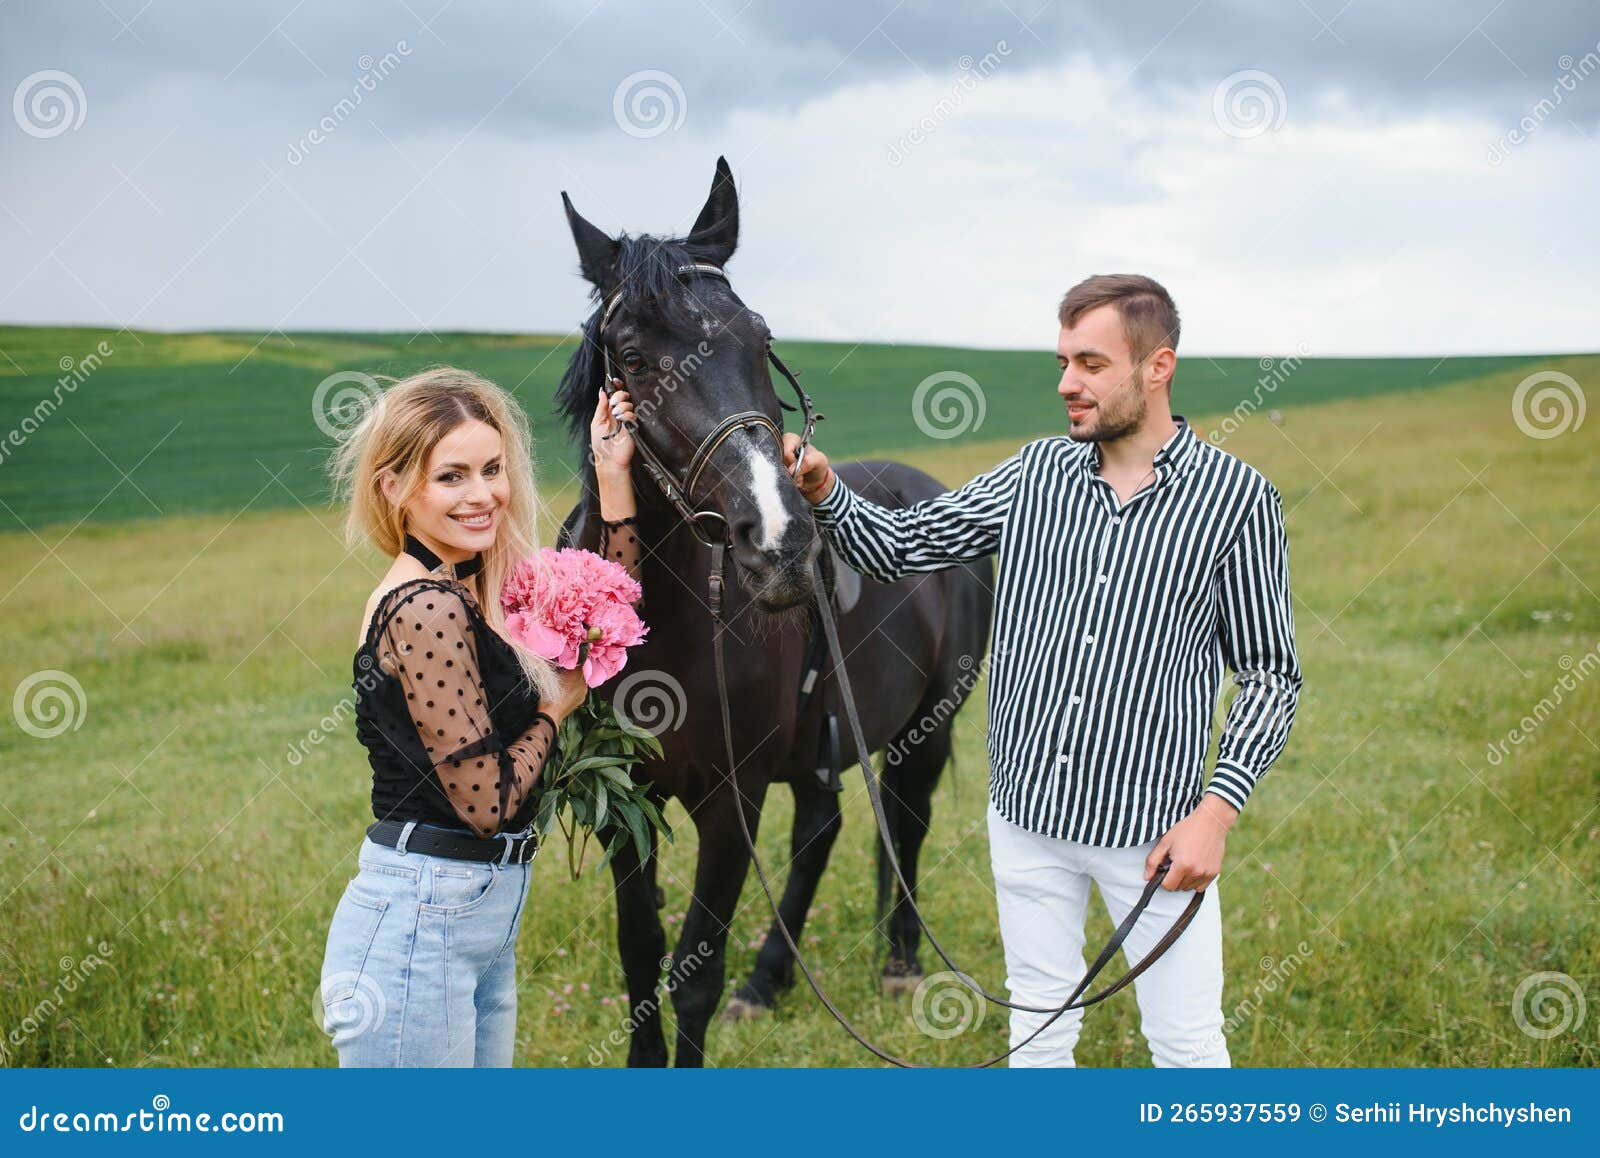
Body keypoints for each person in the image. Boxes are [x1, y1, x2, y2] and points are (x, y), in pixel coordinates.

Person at [781, 274, 1302, 1067]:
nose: (1066, 384)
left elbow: (1270, 673)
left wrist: (1217, 813)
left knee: (1189, 1047)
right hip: (1026, 821)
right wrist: (823, 489)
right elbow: (900, 546)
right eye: (1062, 362)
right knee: (1038, 1034)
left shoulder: (1237, 501)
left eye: (1090, 364)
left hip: (1156, 834)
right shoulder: (1033, 476)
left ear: (1157, 367)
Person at [318, 366, 640, 1066]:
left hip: (474, 913)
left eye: (493, 469)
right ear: (395, 487)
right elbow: (485, 801)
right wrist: (553, 711)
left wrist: (612, 477)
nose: (484, 494)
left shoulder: (473, 586)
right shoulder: (427, 607)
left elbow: (604, 617)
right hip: (420, 918)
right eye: (452, 476)